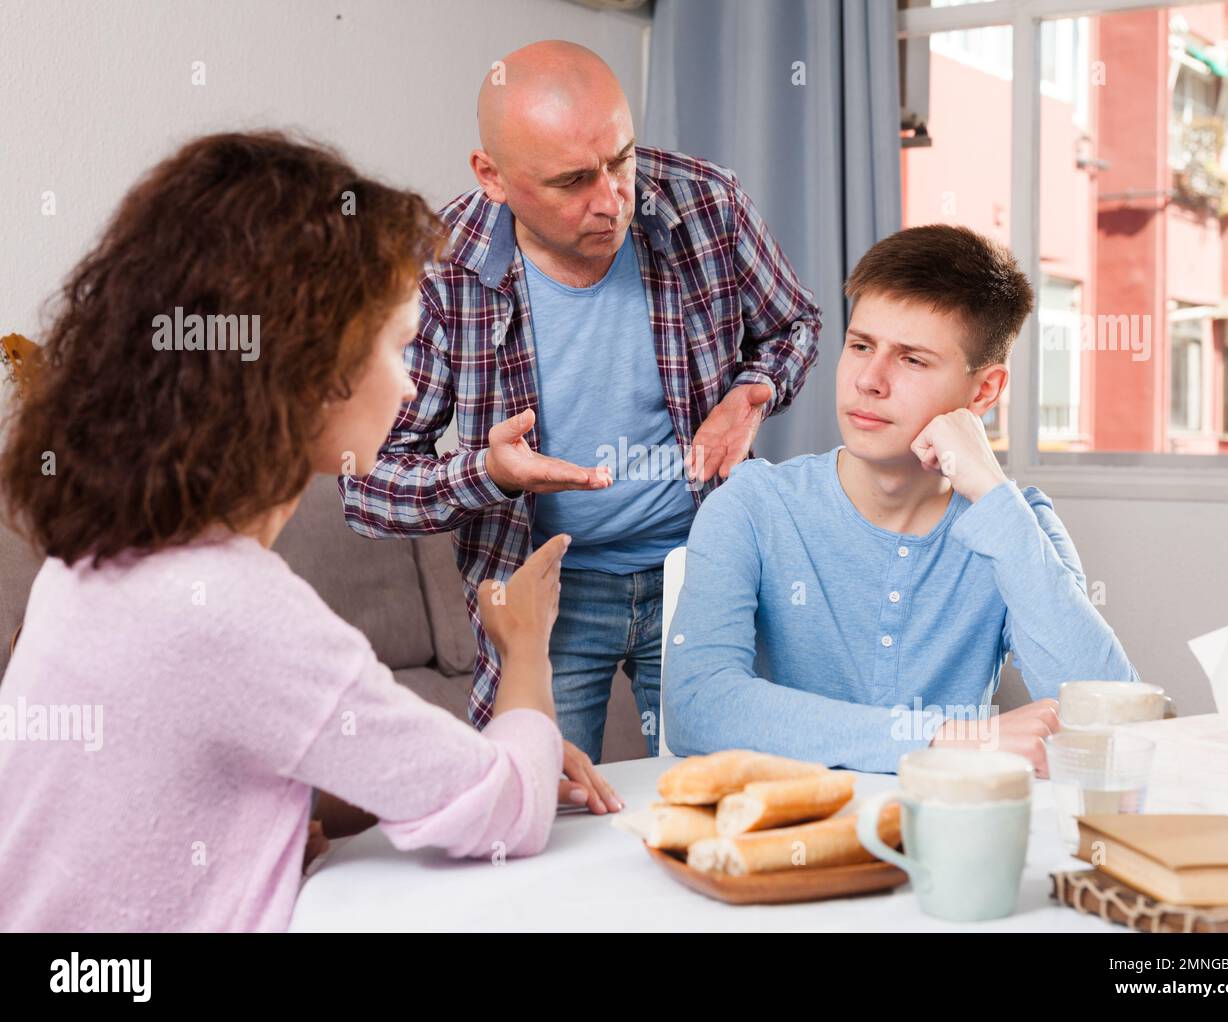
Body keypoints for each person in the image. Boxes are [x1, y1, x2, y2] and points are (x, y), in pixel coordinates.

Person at [0, 131, 570, 931]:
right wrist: (525, 658)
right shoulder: (234, 607)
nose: (410, 386)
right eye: (401, 346)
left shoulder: (93, 563)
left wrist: (487, 752)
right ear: (312, 367)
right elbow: (507, 813)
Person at [340, 40, 821, 784]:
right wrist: (488, 474)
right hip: (543, 596)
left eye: (621, 159)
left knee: (730, 803)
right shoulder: (439, 271)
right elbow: (365, 486)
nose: (612, 199)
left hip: (704, 569)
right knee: (538, 816)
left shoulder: (707, 204)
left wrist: (751, 393)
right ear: (491, 176)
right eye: (571, 181)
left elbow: (796, 325)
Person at [662, 224, 1139, 776]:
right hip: (789, 837)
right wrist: (941, 739)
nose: (869, 380)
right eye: (861, 346)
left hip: (948, 833)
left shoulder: (1015, 521)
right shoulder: (752, 505)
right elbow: (698, 708)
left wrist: (990, 492)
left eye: (912, 360)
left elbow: (1112, 719)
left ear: (983, 391)